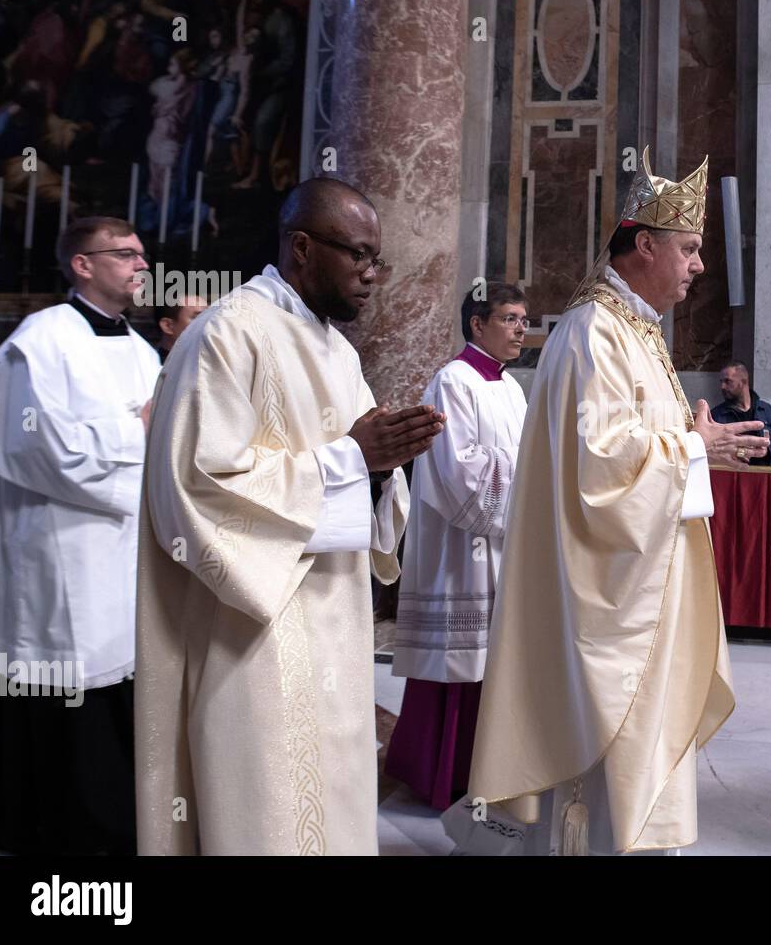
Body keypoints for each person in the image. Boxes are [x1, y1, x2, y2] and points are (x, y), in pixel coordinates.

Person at [445, 150, 769, 855]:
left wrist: (693, 440)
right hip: (612, 598)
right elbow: (598, 469)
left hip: (646, 581)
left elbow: (634, 444)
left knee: (642, 752)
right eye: (688, 249)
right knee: (606, 769)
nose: (699, 265)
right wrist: (692, 450)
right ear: (644, 245)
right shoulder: (595, 332)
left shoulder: (638, 331)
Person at [134, 177, 444, 855]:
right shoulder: (227, 334)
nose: (371, 275)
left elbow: (357, 477)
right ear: (302, 246)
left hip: (335, 624)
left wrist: (383, 468)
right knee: (268, 813)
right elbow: (193, 486)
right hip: (253, 632)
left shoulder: (338, 351)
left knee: (331, 806)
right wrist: (348, 461)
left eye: (376, 259)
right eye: (357, 255)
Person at [0, 216, 161, 854]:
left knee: (114, 685)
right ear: (82, 264)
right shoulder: (41, 342)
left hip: (122, 548)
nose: (141, 265)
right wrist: (134, 431)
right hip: (57, 549)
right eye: (125, 254)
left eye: (143, 255)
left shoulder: (143, 351)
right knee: (62, 683)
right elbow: (27, 446)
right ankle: (53, 828)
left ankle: (108, 822)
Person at [386, 282, 529, 811]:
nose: (521, 328)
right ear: (477, 324)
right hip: (461, 552)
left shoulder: (512, 389)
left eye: (523, 319)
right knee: (458, 668)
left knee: (493, 668)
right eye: (510, 318)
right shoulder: (452, 381)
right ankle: (442, 774)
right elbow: (458, 472)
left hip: (502, 550)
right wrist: (529, 477)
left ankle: (489, 771)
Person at [710, 361, 771, 465]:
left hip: (762, 475)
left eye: (728, 381)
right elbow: (709, 447)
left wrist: (767, 452)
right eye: (721, 382)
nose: (722, 387)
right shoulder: (716, 415)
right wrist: (738, 453)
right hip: (731, 475)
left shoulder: (766, 411)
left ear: (744, 382)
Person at [153, 293, 207, 363]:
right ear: (168, 326)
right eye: (198, 317)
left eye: (208, 315)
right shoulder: (151, 368)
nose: (209, 322)